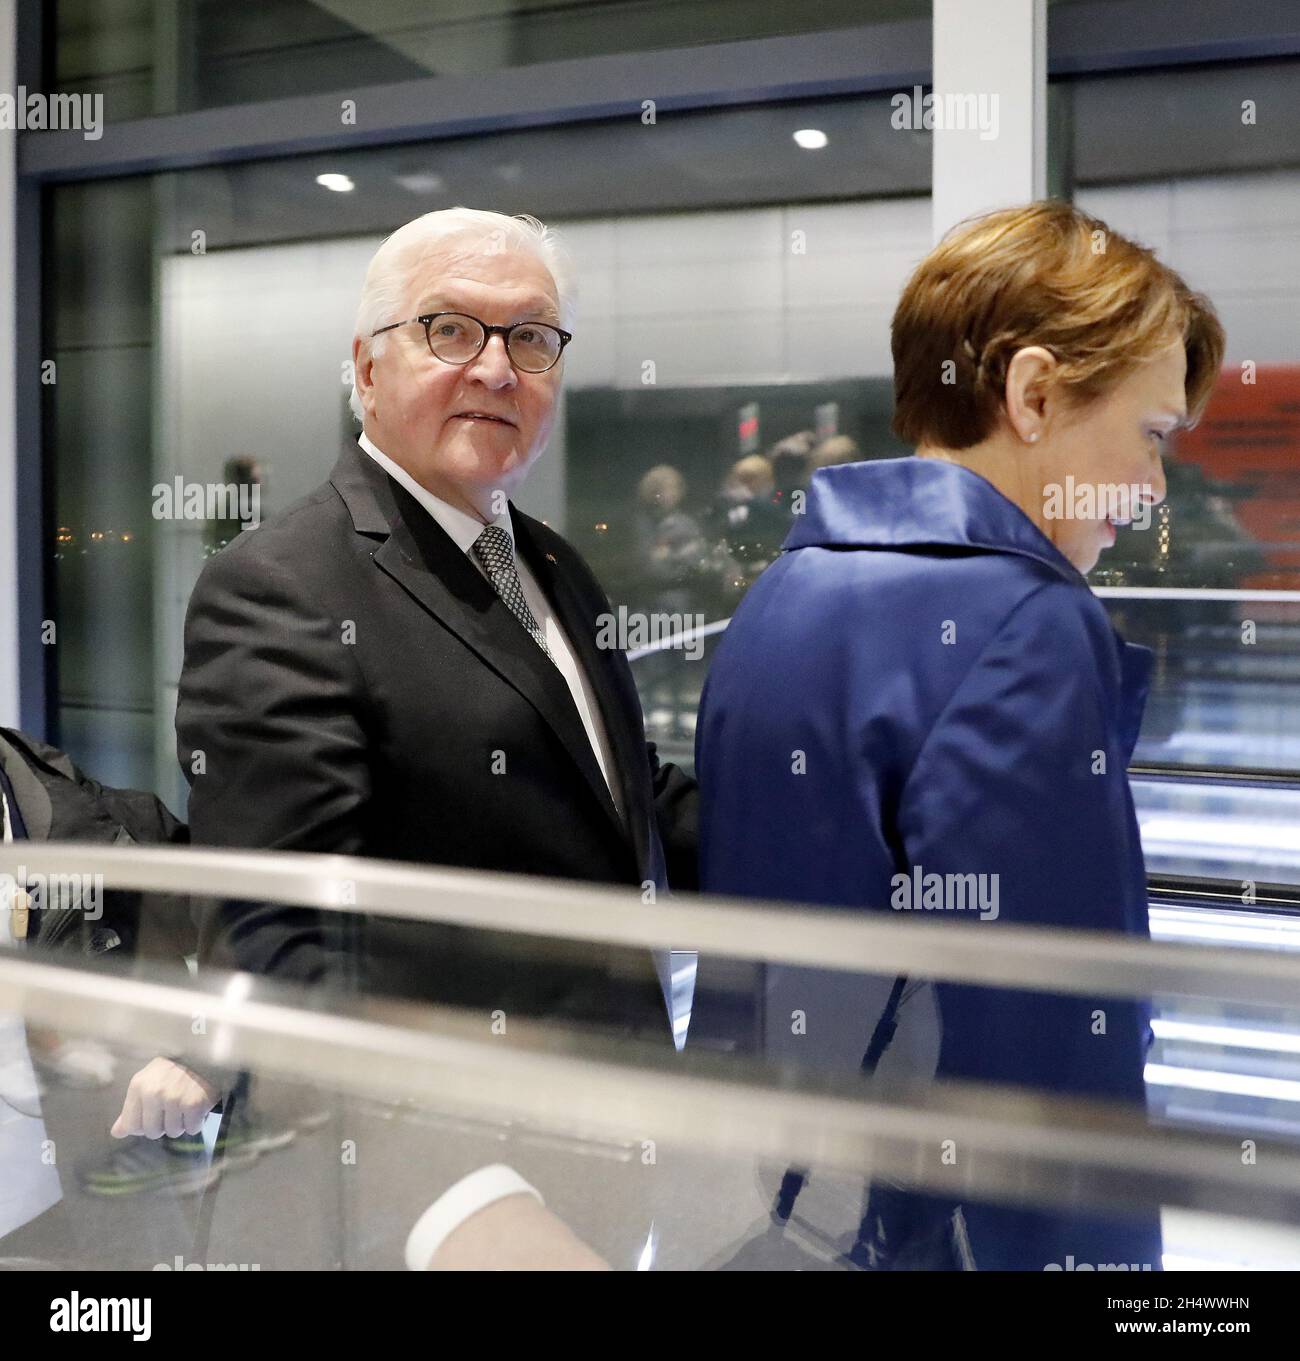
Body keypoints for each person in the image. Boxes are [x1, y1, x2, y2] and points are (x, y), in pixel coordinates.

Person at [693, 201, 1225, 1270]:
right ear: (1033, 395)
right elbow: (1051, 1048)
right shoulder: (1026, 620)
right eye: (1151, 436)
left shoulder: (782, 591)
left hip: (777, 1194)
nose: (1153, 488)